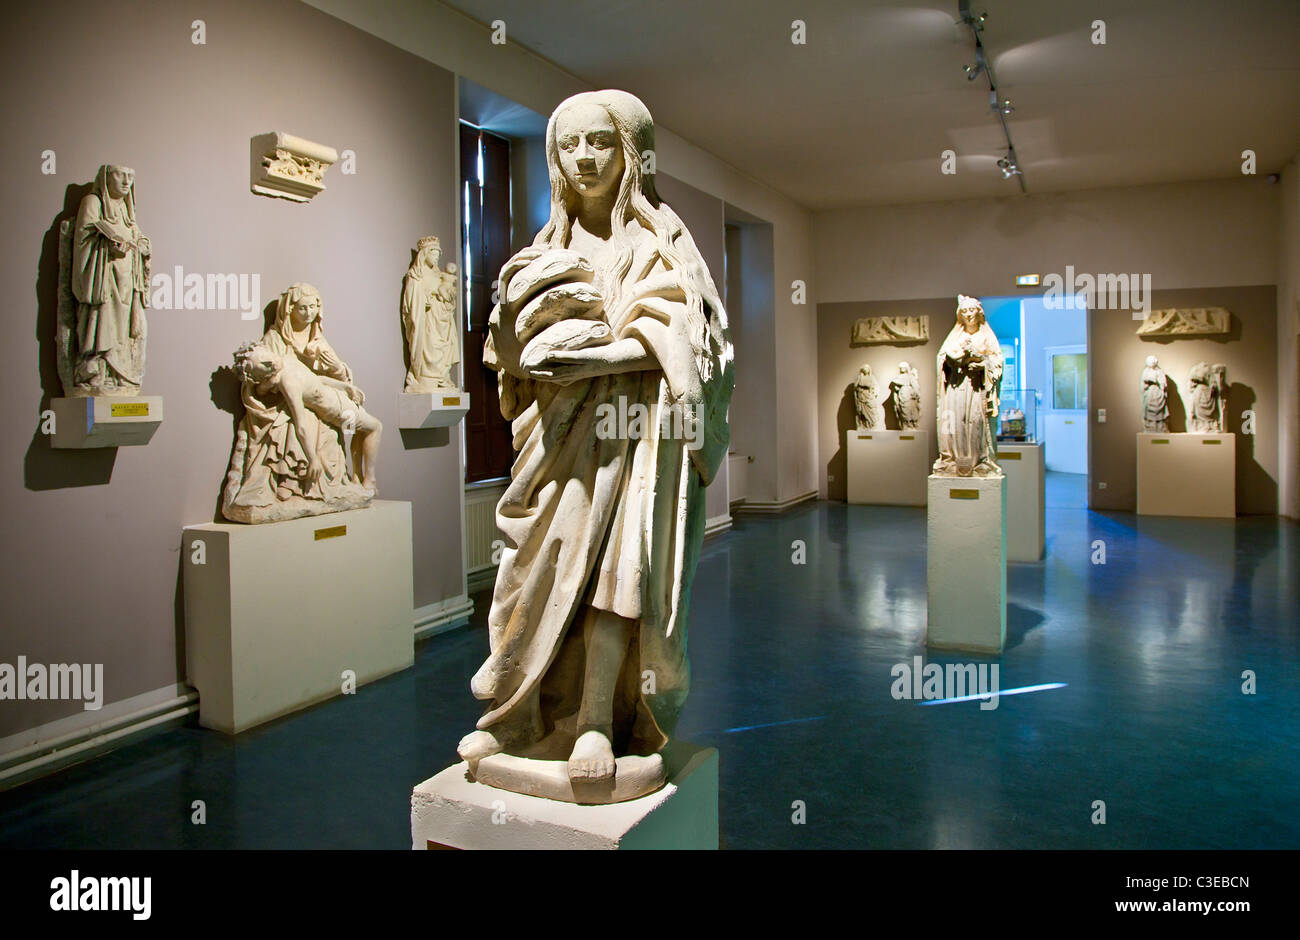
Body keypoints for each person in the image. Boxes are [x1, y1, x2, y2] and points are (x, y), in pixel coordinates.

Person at [457, 90, 734, 791]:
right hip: (556, 442)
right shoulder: (543, 251)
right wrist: (527, 347)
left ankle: (594, 721)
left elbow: (692, 345)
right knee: (538, 570)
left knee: (618, 574)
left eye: (600, 142)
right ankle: (515, 717)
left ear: (630, 154)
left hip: (636, 438)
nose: (584, 157)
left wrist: (598, 357)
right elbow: (507, 351)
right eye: (571, 143)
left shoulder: (659, 242)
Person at [222, 283, 375, 522]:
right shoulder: (273, 341)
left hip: (323, 400)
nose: (309, 313)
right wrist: (268, 386)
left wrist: (338, 372)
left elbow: (331, 376)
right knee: (296, 422)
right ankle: (293, 482)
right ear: (289, 309)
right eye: (303, 308)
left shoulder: (319, 341)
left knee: (320, 422)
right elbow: (259, 383)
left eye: (314, 307)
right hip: (289, 405)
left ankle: (322, 480)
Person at [233, 339, 380, 492]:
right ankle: (370, 480)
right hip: (336, 411)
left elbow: (316, 381)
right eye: (264, 365)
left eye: (267, 357)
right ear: (260, 376)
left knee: (361, 430)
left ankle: (357, 477)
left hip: (338, 396)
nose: (271, 362)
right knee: (375, 428)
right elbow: (301, 425)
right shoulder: (288, 383)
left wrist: (346, 387)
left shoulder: (287, 360)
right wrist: (313, 459)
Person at [69, 164, 151, 394]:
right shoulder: (93, 203)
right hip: (103, 279)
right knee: (101, 321)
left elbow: (138, 235)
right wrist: (106, 244)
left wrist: (141, 246)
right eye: (121, 176)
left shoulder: (126, 209)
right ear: (106, 177)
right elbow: (83, 237)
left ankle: (120, 375)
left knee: (124, 331)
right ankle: (97, 371)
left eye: (130, 177)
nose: (126, 182)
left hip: (126, 282)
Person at [934, 295, 1003, 476]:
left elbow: (997, 360)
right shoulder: (955, 337)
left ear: (978, 312)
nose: (969, 315)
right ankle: (957, 461)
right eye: (964, 311)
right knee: (957, 422)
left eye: (971, 310)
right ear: (960, 315)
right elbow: (941, 359)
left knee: (977, 421)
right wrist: (953, 360)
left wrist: (983, 364)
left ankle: (980, 460)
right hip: (957, 387)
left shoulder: (986, 336)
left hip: (977, 388)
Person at [402, 236, 461, 392]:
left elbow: (447, 296)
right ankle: (427, 378)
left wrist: (448, 300)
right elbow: (411, 301)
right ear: (425, 254)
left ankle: (442, 376)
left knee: (444, 346)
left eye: (438, 255)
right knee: (430, 346)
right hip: (426, 319)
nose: (436, 258)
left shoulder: (439, 275)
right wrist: (425, 299)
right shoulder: (416, 276)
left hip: (441, 318)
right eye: (433, 254)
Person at [1141, 355, 1169, 432]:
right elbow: (1143, 386)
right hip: (1150, 392)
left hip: (1157, 392)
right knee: (1149, 409)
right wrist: (1147, 383)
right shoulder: (1146, 371)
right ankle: (1151, 425)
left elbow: (1163, 384)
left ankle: (1160, 425)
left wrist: (1162, 388)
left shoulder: (1159, 371)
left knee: (1159, 410)